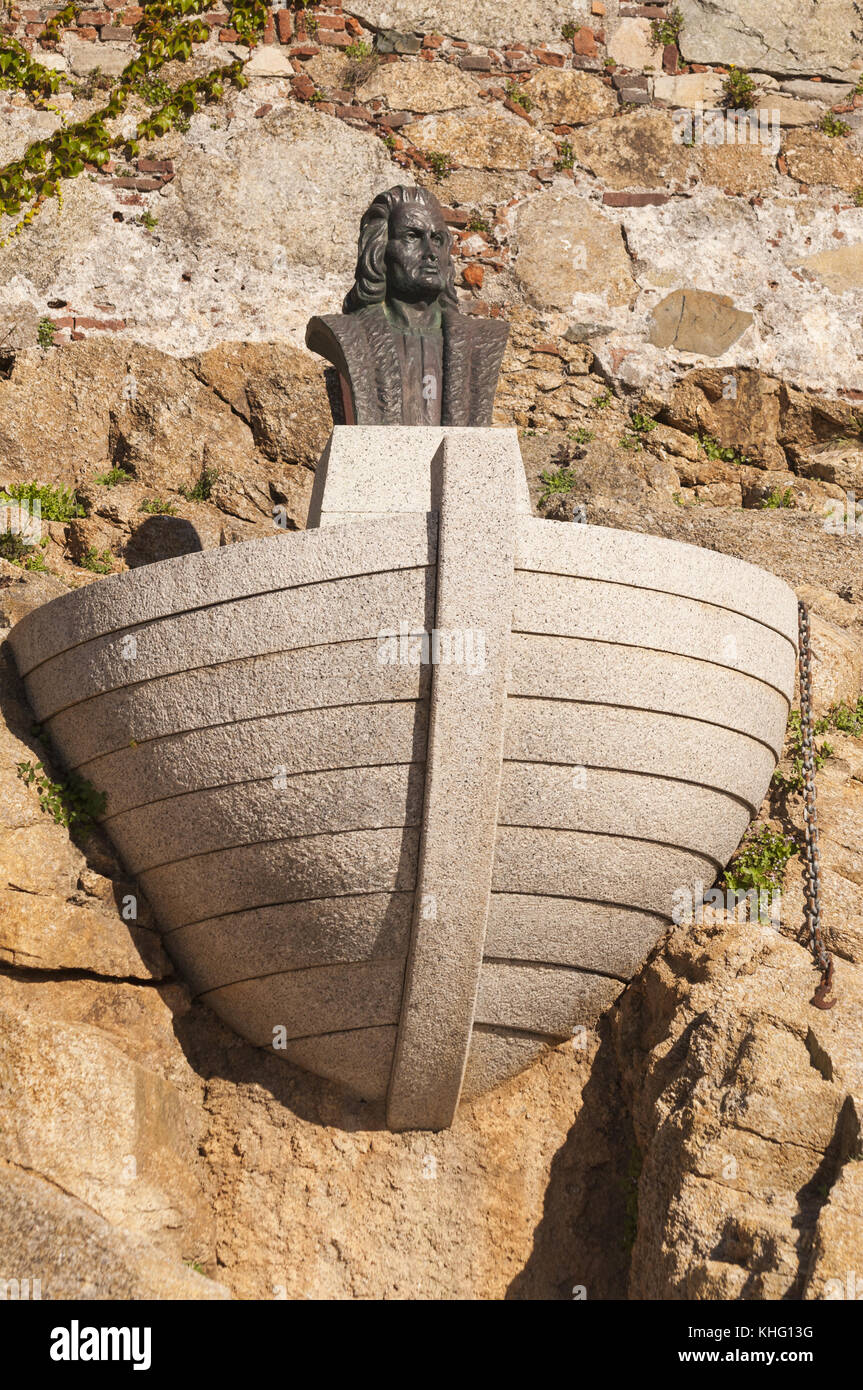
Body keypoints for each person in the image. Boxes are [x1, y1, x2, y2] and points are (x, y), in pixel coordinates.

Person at [306, 184, 509, 426]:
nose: (430, 252)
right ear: (379, 251)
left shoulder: (481, 339)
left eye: (437, 239)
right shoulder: (348, 334)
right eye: (413, 236)